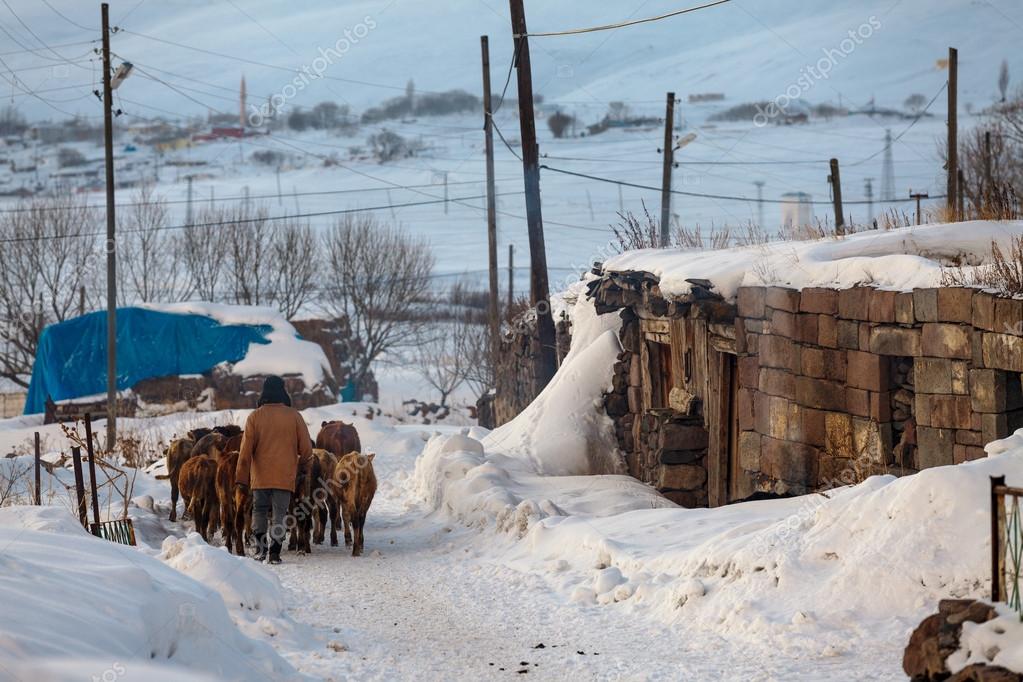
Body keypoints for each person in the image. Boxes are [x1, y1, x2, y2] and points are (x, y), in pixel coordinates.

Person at [236, 375, 312, 564]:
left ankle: (261, 549)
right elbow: (307, 450)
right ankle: (275, 553)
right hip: (285, 475)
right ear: (283, 391)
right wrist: (302, 468)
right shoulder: (294, 415)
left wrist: (241, 479)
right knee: (280, 512)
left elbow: (245, 451)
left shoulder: (255, 416)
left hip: (260, 475)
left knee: (259, 509)